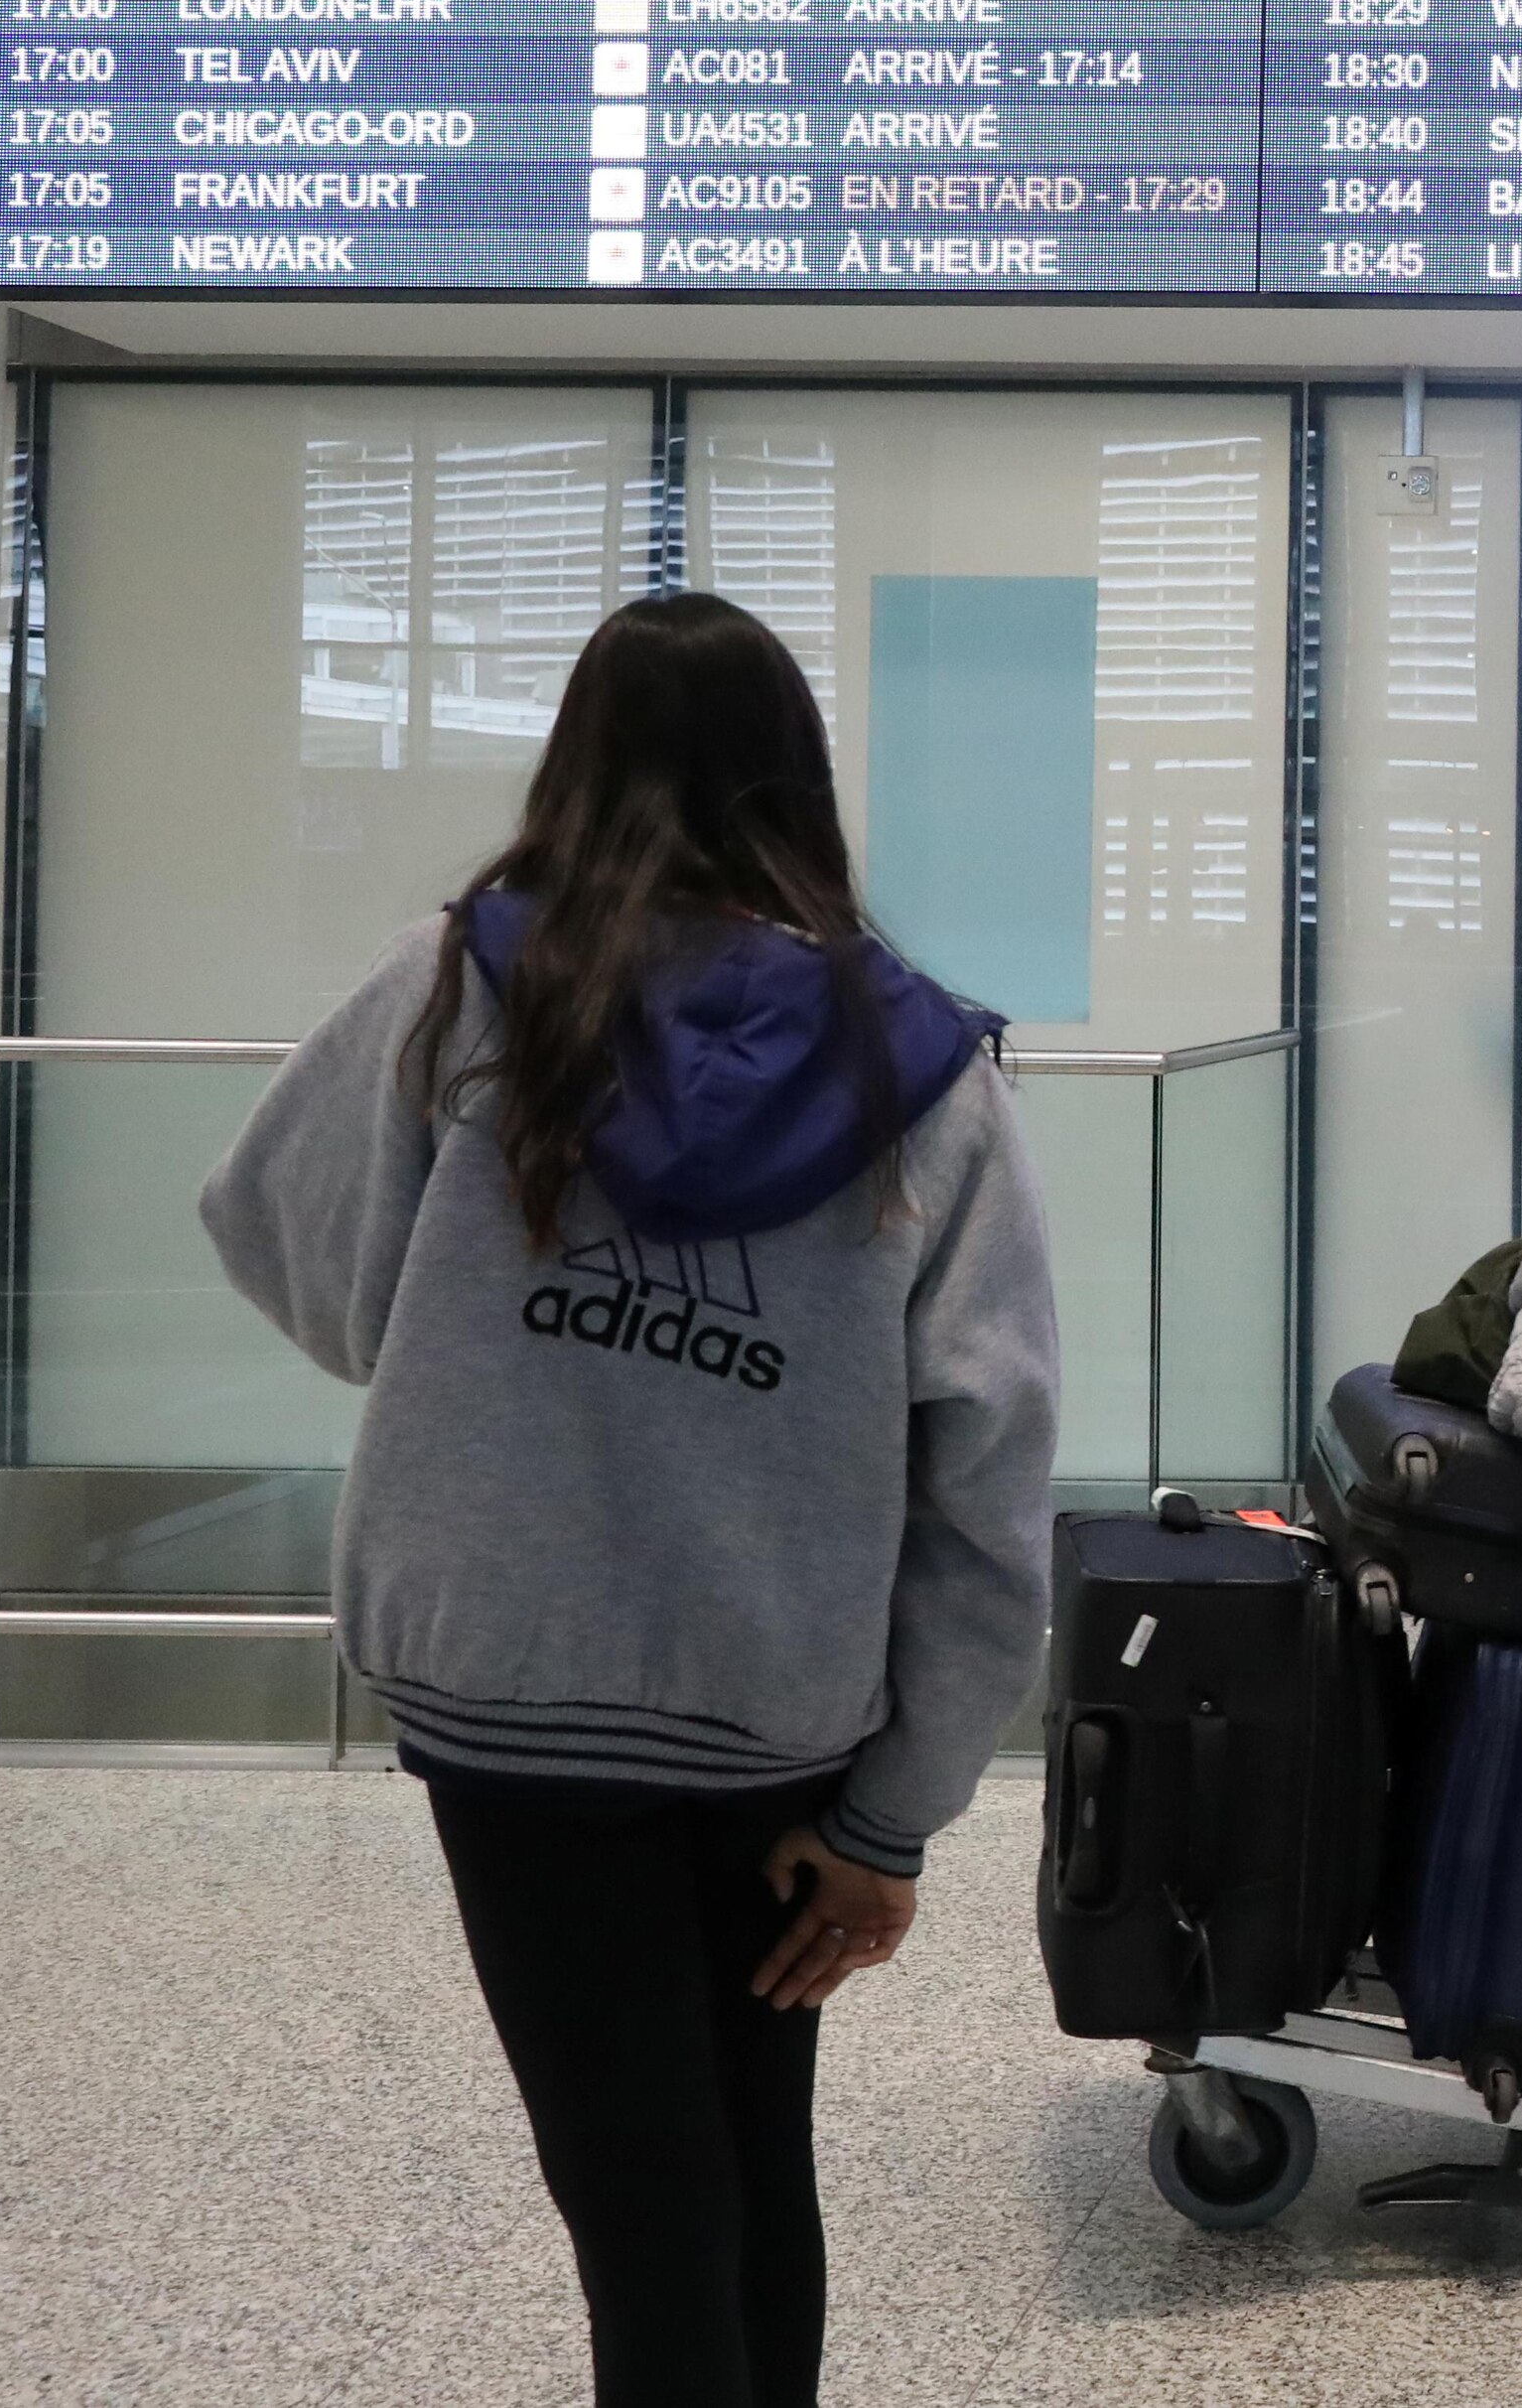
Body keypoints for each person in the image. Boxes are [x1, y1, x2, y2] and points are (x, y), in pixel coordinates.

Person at [201, 592, 1059, 2408]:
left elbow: (273, 1226)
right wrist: (895, 1815)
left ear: (577, 760)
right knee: (749, 2161)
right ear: (796, 781)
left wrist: (448, 1344)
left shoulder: (459, 985)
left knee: (633, 2193)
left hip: (508, 1690)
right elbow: (989, 1458)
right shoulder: (922, 1063)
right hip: (778, 1711)